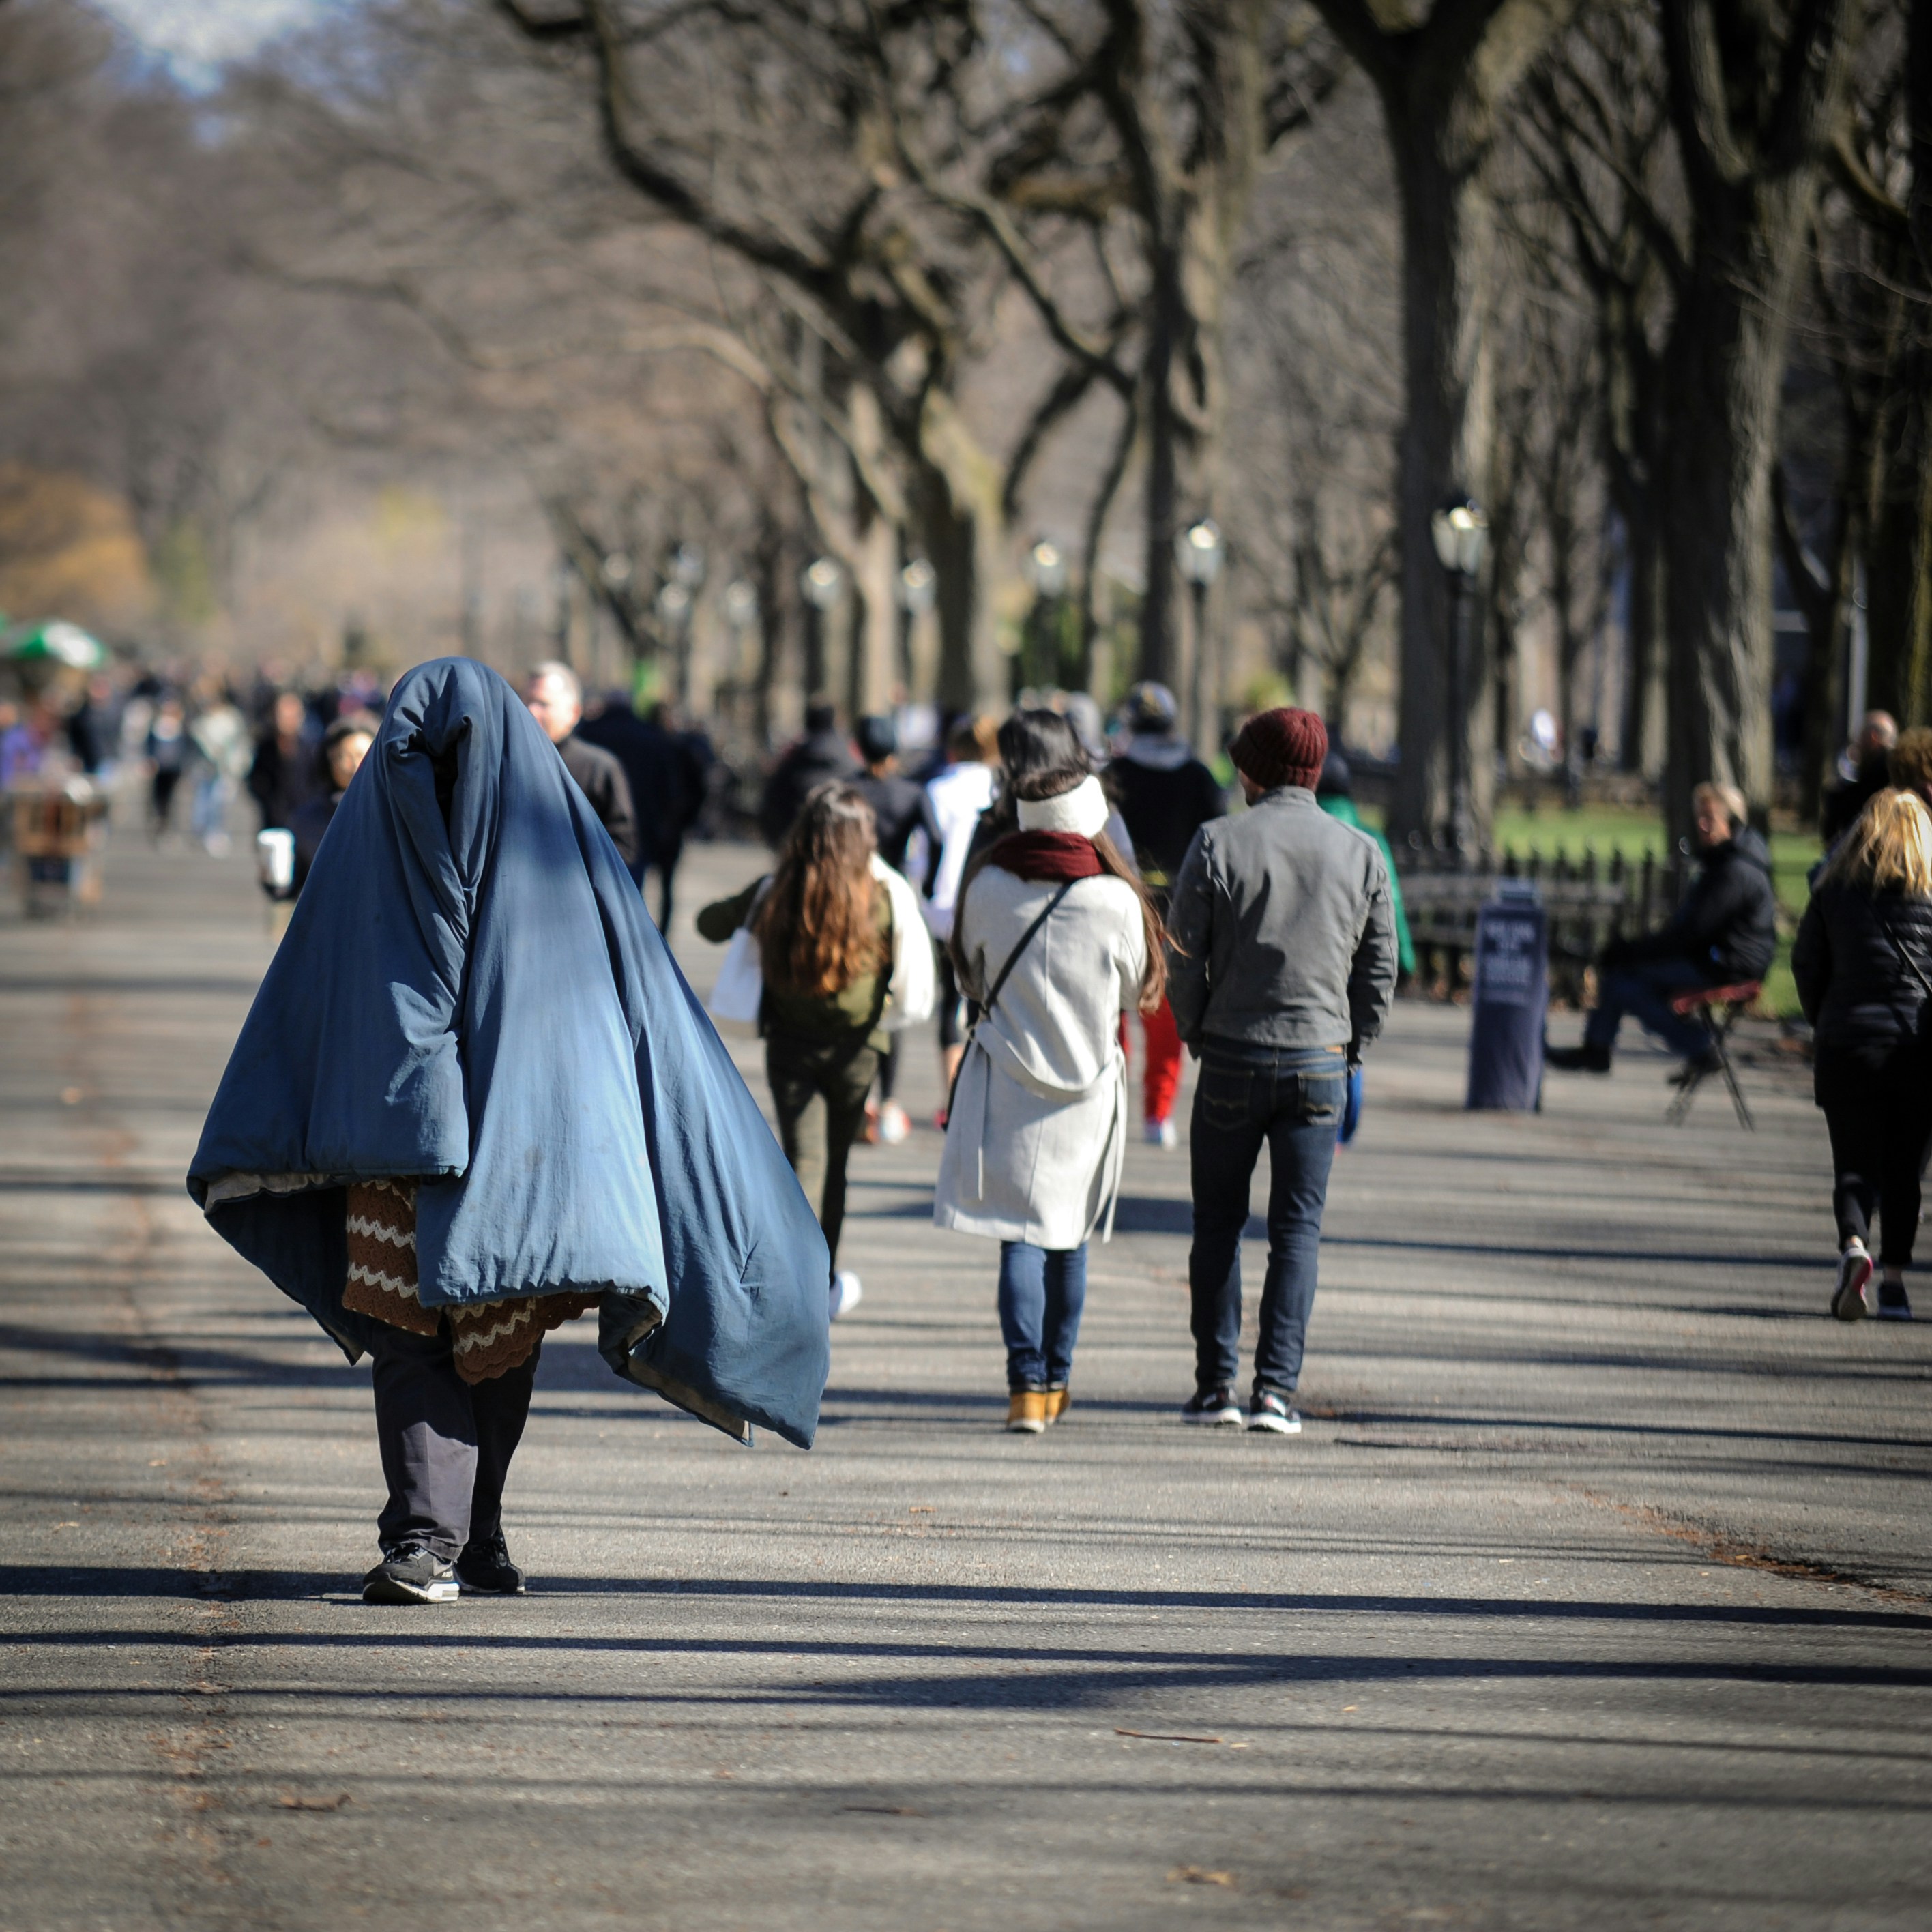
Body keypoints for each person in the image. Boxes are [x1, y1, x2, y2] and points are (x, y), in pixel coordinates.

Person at [188, 658, 832, 1606]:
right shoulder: (561, 853)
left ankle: (452, 1535)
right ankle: (442, 1535)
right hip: (498, 1155)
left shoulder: (374, 842)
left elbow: (309, 999)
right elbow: (644, 1011)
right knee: (473, 1338)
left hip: (432, 1143)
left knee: (453, 1340)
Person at [1165, 707, 1396, 1435]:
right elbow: (1380, 966)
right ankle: (1276, 1390)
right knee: (1297, 1231)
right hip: (1319, 1057)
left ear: (1253, 771)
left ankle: (1214, 1387)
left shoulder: (1217, 842)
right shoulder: (1360, 853)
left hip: (1233, 1049)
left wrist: (1198, 1030)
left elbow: (1181, 958)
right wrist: (1351, 1044)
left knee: (1218, 1225)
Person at [935, 749, 1162, 1433]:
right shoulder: (1117, 900)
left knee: (1018, 1237)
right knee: (1071, 1238)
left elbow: (970, 977)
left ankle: (1023, 1385)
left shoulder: (990, 885)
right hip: (1087, 1084)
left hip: (1008, 1075)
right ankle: (1057, 1378)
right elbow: (1135, 991)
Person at [698, 783, 932, 1321]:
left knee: (804, 1161)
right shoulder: (883, 895)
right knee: (838, 1164)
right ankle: (822, 1280)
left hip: (789, 1050)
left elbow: (706, 924)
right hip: (858, 1052)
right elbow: (914, 970)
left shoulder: (777, 888)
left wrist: (746, 910)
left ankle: (792, 1281)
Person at [1791, 789, 1932, 1323]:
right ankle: (1894, 1284)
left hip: (1847, 1043)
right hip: (1917, 1047)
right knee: (1904, 1170)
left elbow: (1807, 965)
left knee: (1852, 1163)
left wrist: (1825, 1018)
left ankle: (1853, 1245)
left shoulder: (1833, 892)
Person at [1546, 781, 1776, 1077]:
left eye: (1711, 818)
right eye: (1700, 819)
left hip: (1729, 966)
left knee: (1623, 983)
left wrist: (1635, 953)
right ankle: (1599, 1048)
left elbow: (1692, 933)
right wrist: (1637, 952)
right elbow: (1688, 930)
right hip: (1715, 958)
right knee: (1622, 977)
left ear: (1731, 820)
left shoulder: (1735, 871)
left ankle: (1700, 1046)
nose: (1703, 826)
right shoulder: (1726, 861)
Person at [1107, 682, 1227, 1148]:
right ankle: (1158, 1113)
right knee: (1164, 1015)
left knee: (1114, 1009)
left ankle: (1112, 1101)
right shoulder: (1198, 774)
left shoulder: (1113, 774)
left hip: (1119, 904)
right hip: (1180, 909)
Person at [851, 714, 942, 1145]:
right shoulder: (911, 793)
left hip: (850, 895)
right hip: (894, 898)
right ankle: (888, 1100)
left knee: (852, 989)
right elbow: (937, 839)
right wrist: (925, 884)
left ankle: (859, 1095)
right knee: (892, 998)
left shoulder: (847, 790)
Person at [576, 695, 712, 928]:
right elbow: (674, 788)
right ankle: (652, 940)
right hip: (648, 826)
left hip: (596, 827)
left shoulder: (590, 734)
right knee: (641, 890)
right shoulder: (655, 741)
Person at [923, 714, 1001, 1109]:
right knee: (982, 1001)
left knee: (948, 999)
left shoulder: (937, 789)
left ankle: (951, 1095)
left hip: (943, 909)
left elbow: (922, 854)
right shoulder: (1000, 788)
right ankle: (977, 1091)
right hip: (990, 904)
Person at [523, 662, 641, 873]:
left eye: (543, 704)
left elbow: (623, 846)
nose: (531, 712)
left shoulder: (599, 767)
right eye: (527, 702)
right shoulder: (506, 763)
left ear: (574, 712)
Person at [1315, 749, 1416, 980]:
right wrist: (1405, 960)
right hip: (1355, 967)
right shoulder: (1370, 840)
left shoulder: (1299, 834)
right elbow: (1392, 902)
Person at [289, 712, 379, 896]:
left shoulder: (398, 812)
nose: (355, 765)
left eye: (362, 755)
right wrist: (274, 882)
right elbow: (296, 883)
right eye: (344, 757)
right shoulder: (308, 819)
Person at [759, 699, 858, 849]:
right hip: (842, 844)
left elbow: (770, 802)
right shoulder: (849, 759)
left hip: (796, 844)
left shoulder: (793, 758)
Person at [246, 691, 322, 834]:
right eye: (282, 715)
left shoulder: (311, 748)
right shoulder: (265, 747)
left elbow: (317, 783)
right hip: (273, 823)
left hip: (305, 824)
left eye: (292, 715)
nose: (287, 720)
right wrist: (268, 802)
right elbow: (255, 779)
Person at [1820, 710, 1897, 845]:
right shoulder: (1897, 768)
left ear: (1873, 737)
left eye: (1861, 737)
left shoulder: (1880, 770)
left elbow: (1860, 803)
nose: (1858, 744)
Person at [147, 696, 191, 840]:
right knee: (159, 796)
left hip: (174, 768)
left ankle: (169, 823)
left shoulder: (180, 727)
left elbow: (185, 748)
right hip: (159, 767)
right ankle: (159, 820)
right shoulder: (156, 726)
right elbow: (150, 746)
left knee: (173, 797)